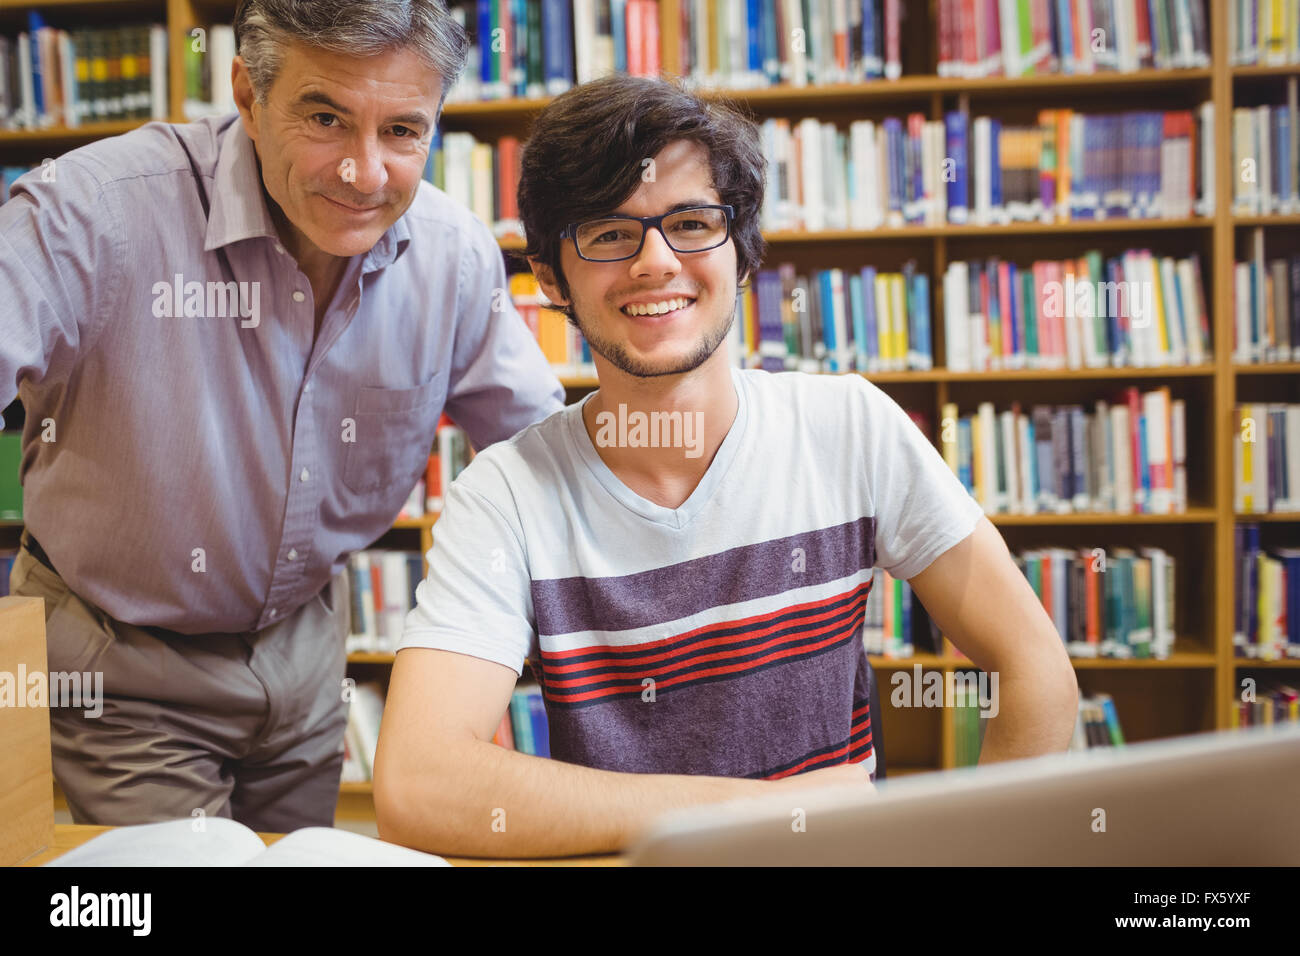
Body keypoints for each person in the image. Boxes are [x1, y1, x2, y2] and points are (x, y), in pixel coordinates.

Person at [375, 74, 1079, 858]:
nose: (655, 261)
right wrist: (759, 811)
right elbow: (419, 785)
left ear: (740, 250)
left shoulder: (848, 426)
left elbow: (1034, 669)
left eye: (691, 223)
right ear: (548, 278)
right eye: (609, 233)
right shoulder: (506, 496)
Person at [0, 0, 563, 832]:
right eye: (326, 117)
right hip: (122, 656)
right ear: (248, 95)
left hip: (306, 651)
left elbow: (541, 459)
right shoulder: (91, 212)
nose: (363, 173)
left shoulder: (452, 253)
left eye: (403, 131)